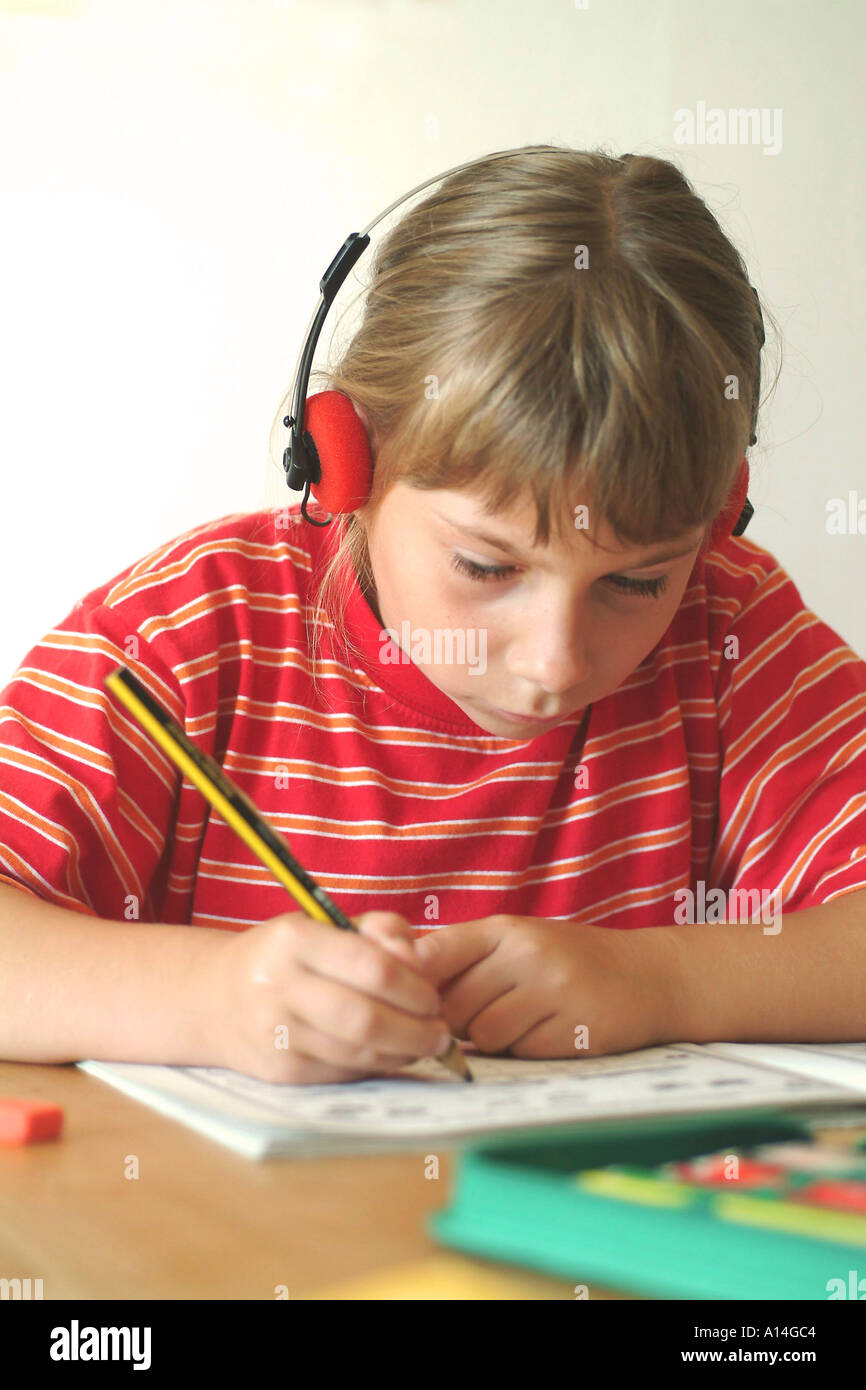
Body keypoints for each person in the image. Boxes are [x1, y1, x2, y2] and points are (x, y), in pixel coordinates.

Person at [1, 145, 864, 1086]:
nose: (555, 662)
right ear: (347, 464)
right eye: (487, 564)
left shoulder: (733, 631)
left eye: (636, 582)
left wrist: (663, 980)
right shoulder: (186, 633)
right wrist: (214, 1000)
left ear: (719, 510)